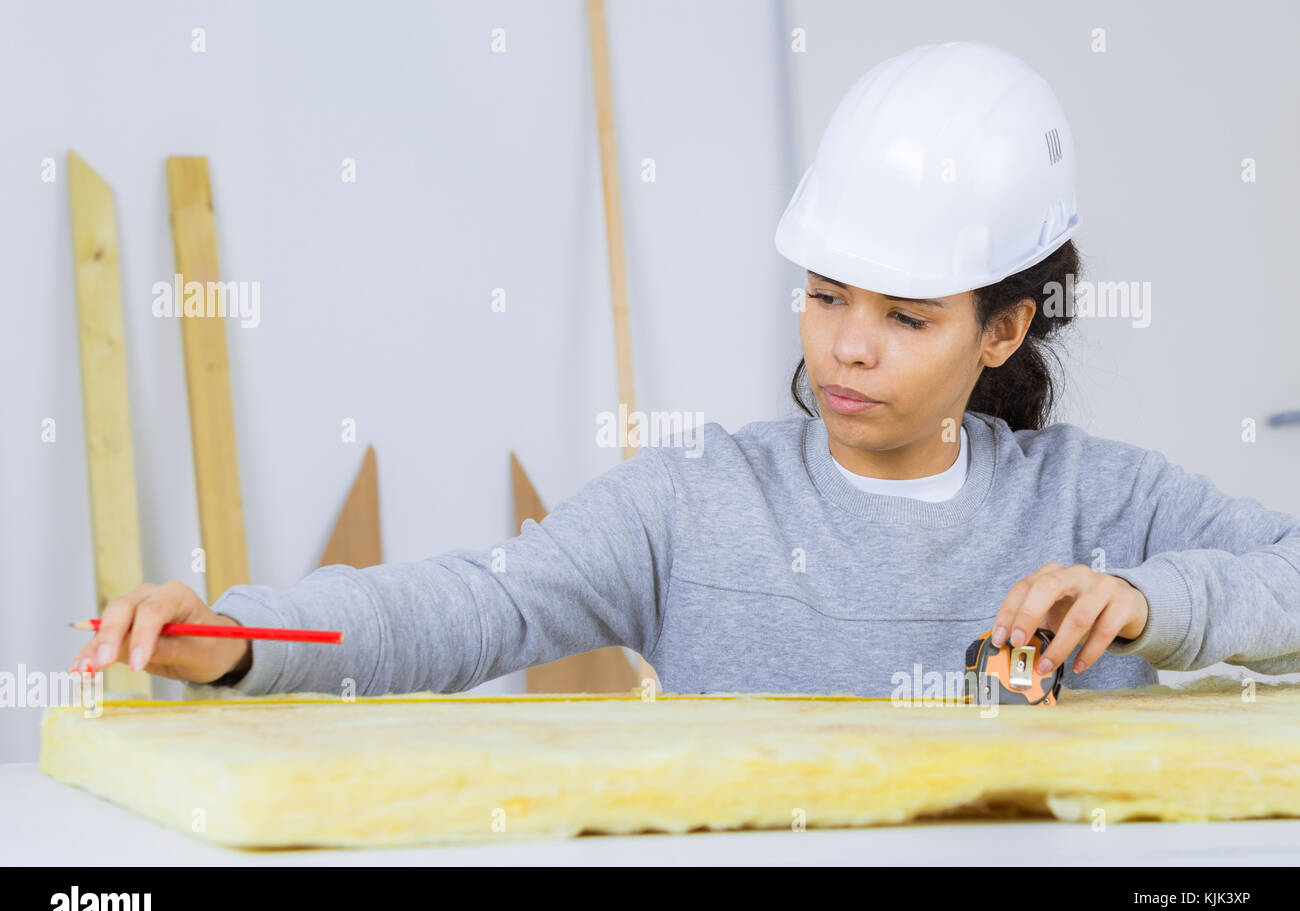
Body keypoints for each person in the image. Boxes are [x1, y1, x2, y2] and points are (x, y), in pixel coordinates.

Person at [70, 41, 1300, 696]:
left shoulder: (1103, 506)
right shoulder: (698, 506)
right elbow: (469, 605)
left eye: (905, 315)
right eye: (824, 295)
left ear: (1002, 330)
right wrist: (239, 636)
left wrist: (1155, 603)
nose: (844, 344)